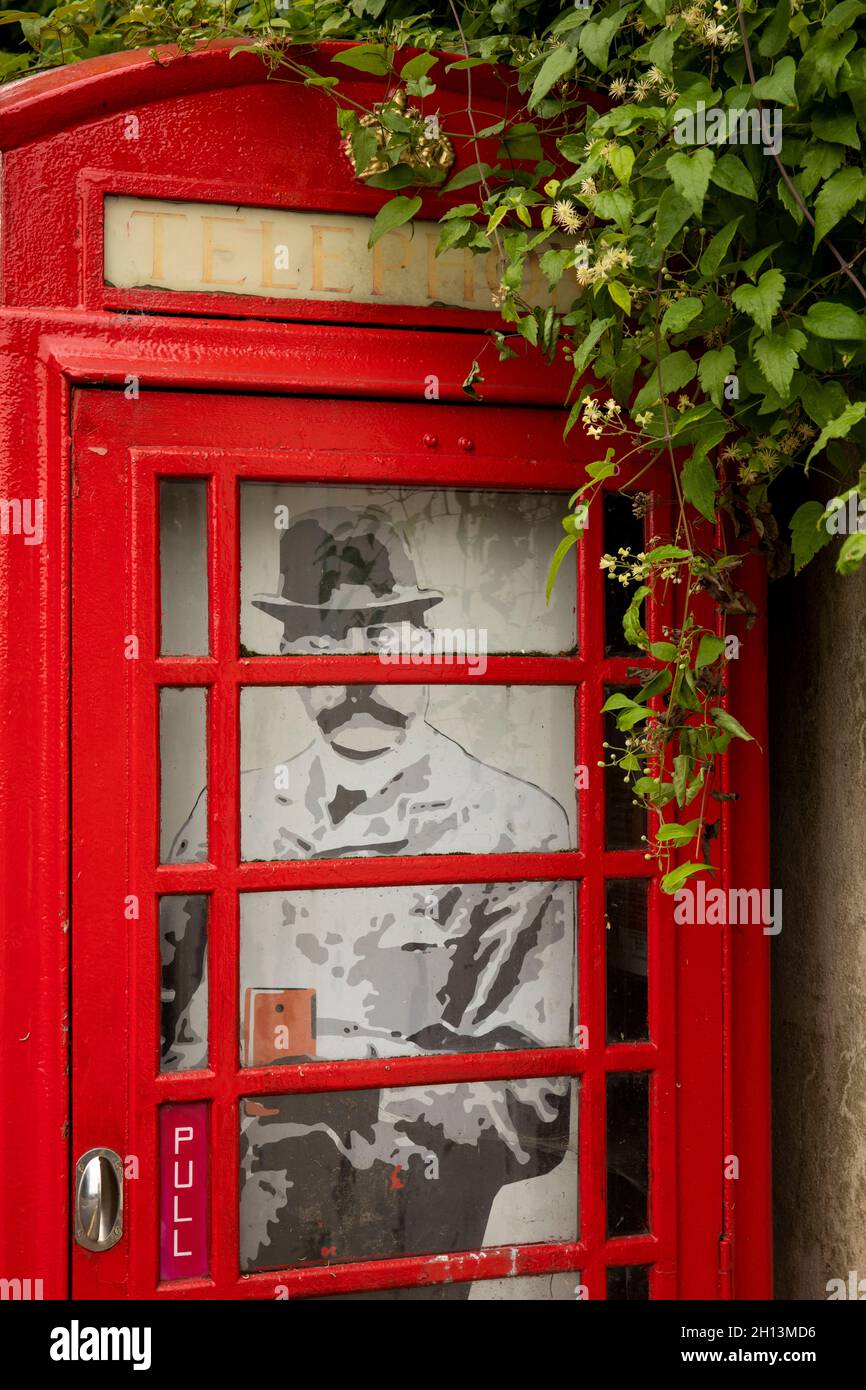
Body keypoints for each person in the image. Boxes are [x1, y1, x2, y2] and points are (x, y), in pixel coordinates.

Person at [163, 506, 576, 1291]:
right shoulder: (225, 819)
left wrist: (356, 1077)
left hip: (412, 1247)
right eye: (322, 636)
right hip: (238, 1248)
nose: (356, 671)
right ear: (283, 653)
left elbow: (540, 1102)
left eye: (382, 634)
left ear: (426, 644)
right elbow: (151, 1034)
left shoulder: (512, 827)